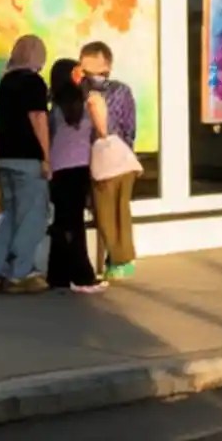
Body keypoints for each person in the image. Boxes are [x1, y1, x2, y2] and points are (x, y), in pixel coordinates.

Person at [0, 35, 52, 294]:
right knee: (33, 217)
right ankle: (19, 273)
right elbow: (38, 119)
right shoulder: (33, 82)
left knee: (11, 216)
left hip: (6, 157)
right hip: (28, 158)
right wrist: (46, 157)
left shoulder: (5, 82)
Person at [45, 58, 107, 293]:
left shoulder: (55, 106)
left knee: (62, 222)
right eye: (78, 72)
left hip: (58, 169)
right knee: (74, 223)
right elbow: (99, 131)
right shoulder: (85, 101)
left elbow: (50, 136)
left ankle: (57, 275)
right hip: (79, 166)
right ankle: (83, 276)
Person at [80, 41, 139, 281]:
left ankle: (118, 259)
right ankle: (117, 260)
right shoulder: (83, 91)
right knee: (113, 211)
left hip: (109, 158)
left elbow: (128, 126)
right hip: (110, 157)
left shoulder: (110, 91)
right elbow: (129, 127)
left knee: (109, 211)